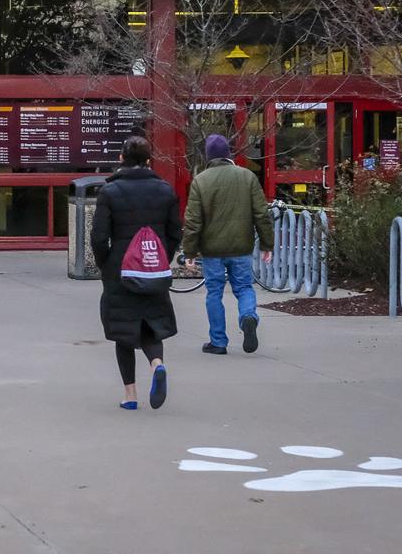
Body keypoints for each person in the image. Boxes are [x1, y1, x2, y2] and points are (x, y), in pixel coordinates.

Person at [91, 136, 182, 411]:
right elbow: (175, 233)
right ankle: (157, 364)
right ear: (148, 160)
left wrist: (106, 264)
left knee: (123, 331)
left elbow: (99, 237)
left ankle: (130, 395)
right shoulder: (165, 190)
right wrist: (161, 258)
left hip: (121, 269)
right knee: (151, 324)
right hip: (153, 269)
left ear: (121, 158)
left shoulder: (110, 192)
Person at [182, 134, 274, 356]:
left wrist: (189, 251)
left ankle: (218, 342)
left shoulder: (201, 181)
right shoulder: (247, 177)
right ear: (228, 154)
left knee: (214, 292)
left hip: (212, 249)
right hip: (241, 246)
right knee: (244, 288)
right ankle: (248, 316)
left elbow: (193, 221)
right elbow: (261, 214)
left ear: (208, 156)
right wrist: (267, 244)